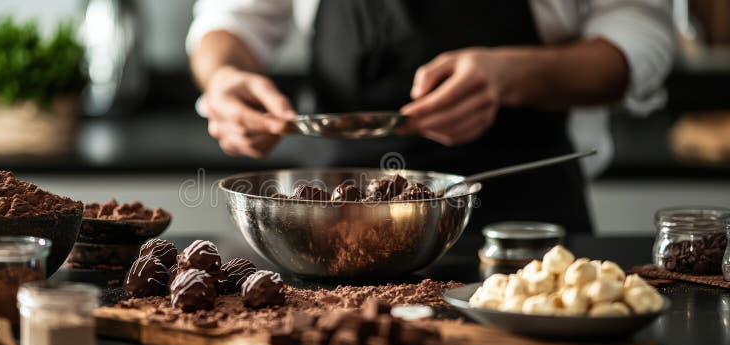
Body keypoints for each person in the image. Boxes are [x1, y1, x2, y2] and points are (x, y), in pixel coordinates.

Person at [186, 0, 674, 251]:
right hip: (327, 230)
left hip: (519, 221)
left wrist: (510, 77)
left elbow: (641, 31)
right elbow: (231, 18)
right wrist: (225, 77)